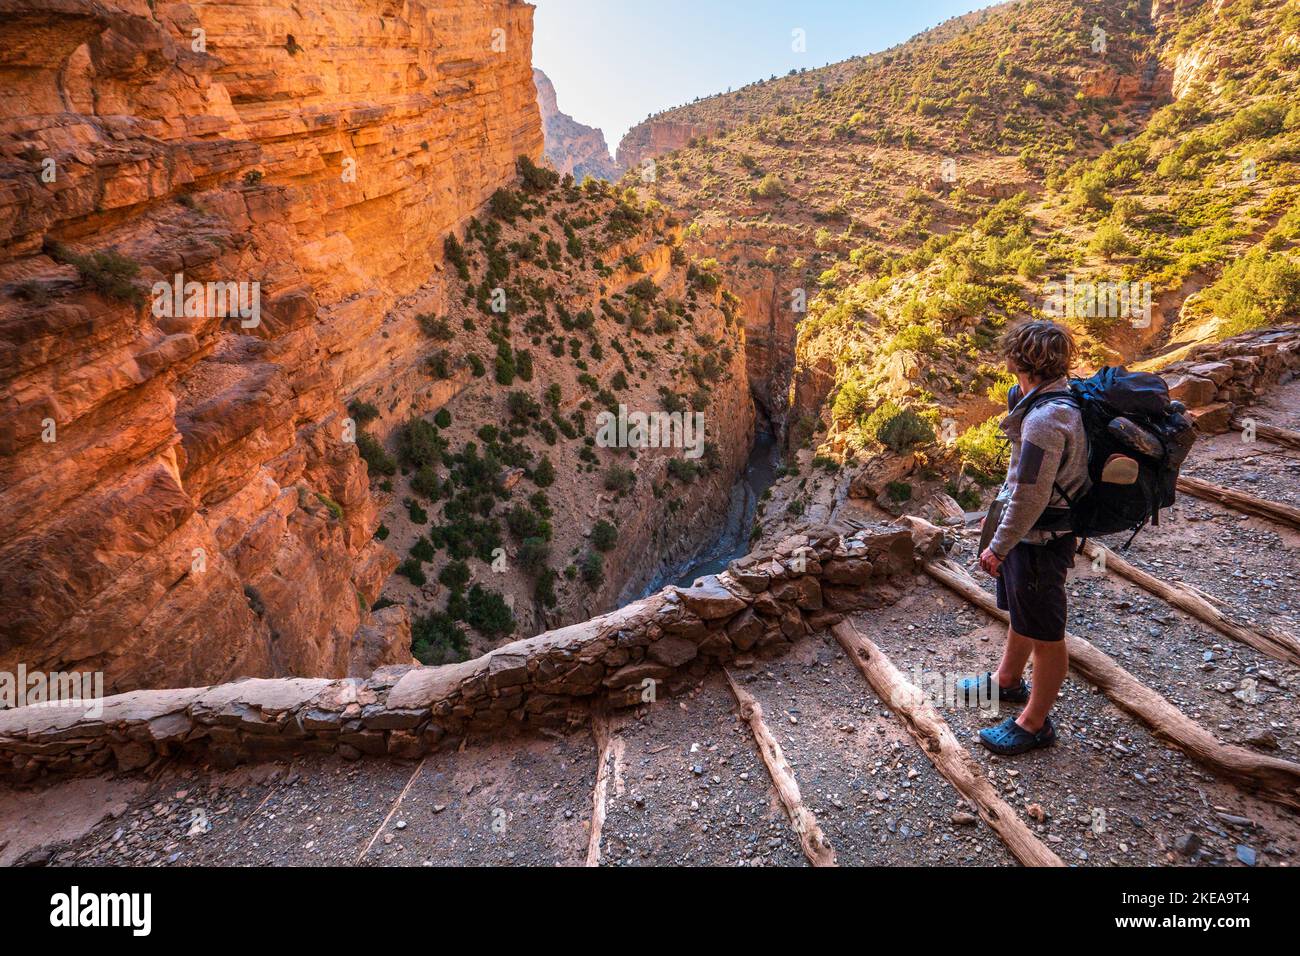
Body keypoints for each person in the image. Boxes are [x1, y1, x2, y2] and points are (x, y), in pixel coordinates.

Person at [961, 320, 1090, 755]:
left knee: (1047, 633)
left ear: (1020, 361)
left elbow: (1032, 496)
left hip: (1040, 539)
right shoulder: (1047, 401)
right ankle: (1007, 681)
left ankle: (1035, 723)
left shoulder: (1045, 419)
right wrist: (996, 521)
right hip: (1027, 534)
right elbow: (1020, 481)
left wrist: (999, 545)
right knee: (1022, 611)